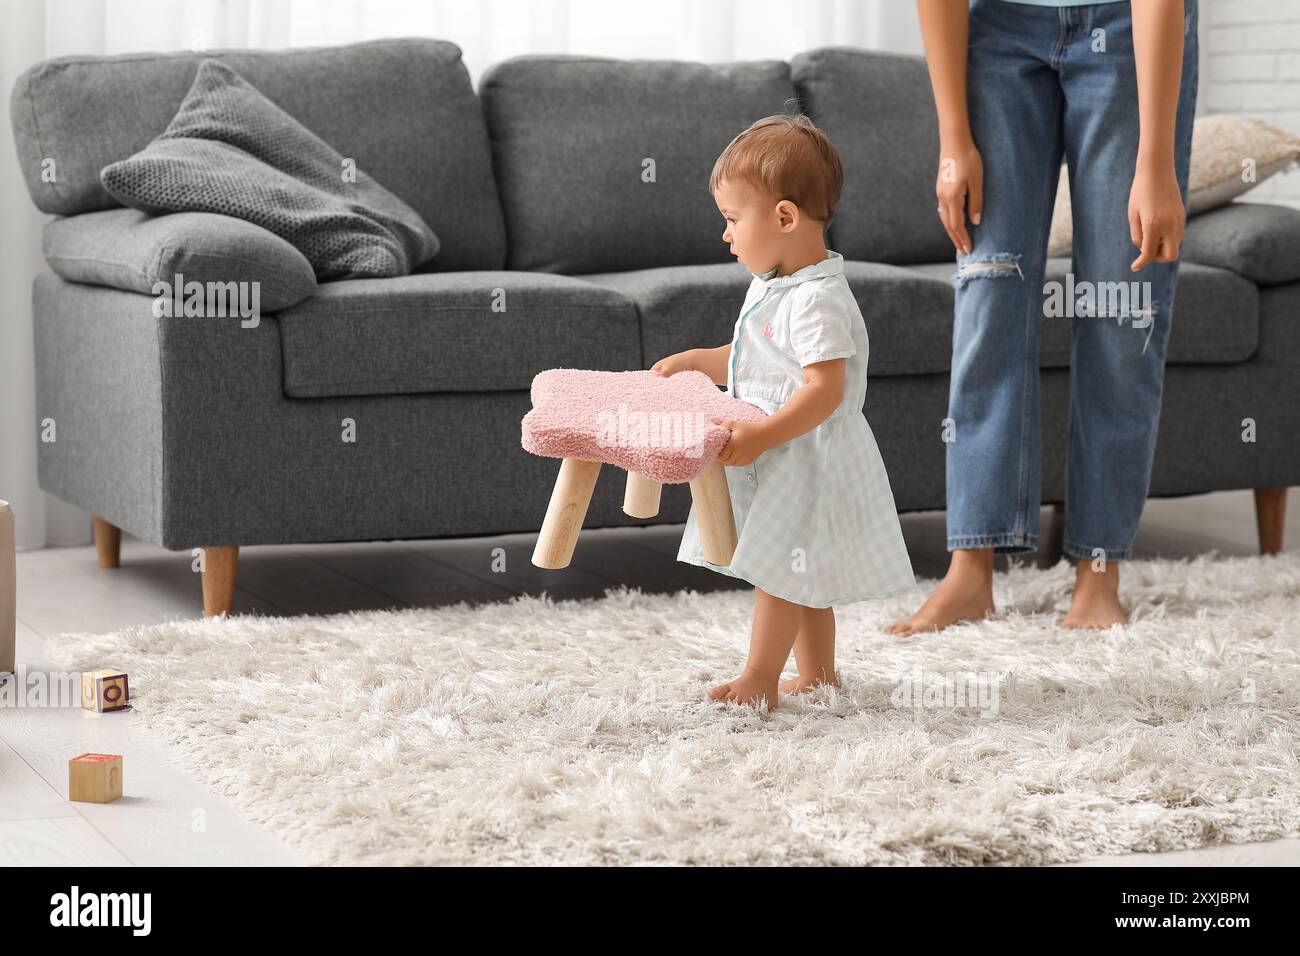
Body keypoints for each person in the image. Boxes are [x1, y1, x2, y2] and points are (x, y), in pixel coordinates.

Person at [889, 0, 1198, 635]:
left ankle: (1099, 574)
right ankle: (969, 572)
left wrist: (1155, 164)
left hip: (1127, 31)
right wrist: (954, 140)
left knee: (1122, 304)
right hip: (999, 34)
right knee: (988, 291)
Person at [654, 114, 916, 710]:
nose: (725, 235)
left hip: (808, 454)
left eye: (731, 219)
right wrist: (702, 361)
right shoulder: (776, 284)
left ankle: (760, 679)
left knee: (778, 569)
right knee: (802, 568)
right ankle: (820, 673)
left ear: (784, 218)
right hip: (787, 450)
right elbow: (755, 359)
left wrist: (766, 433)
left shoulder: (818, 298)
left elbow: (823, 389)